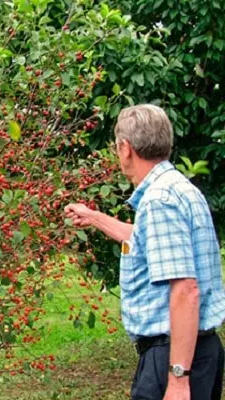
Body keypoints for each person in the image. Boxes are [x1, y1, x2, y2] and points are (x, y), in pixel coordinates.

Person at [65, 104, 225, 399]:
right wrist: (93, 217)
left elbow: (186, 290)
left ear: (125, 148)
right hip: (199, 351)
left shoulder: (159, 200)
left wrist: (178, 379)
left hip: (173, 356)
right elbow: (146, 241)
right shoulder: (180, 188)